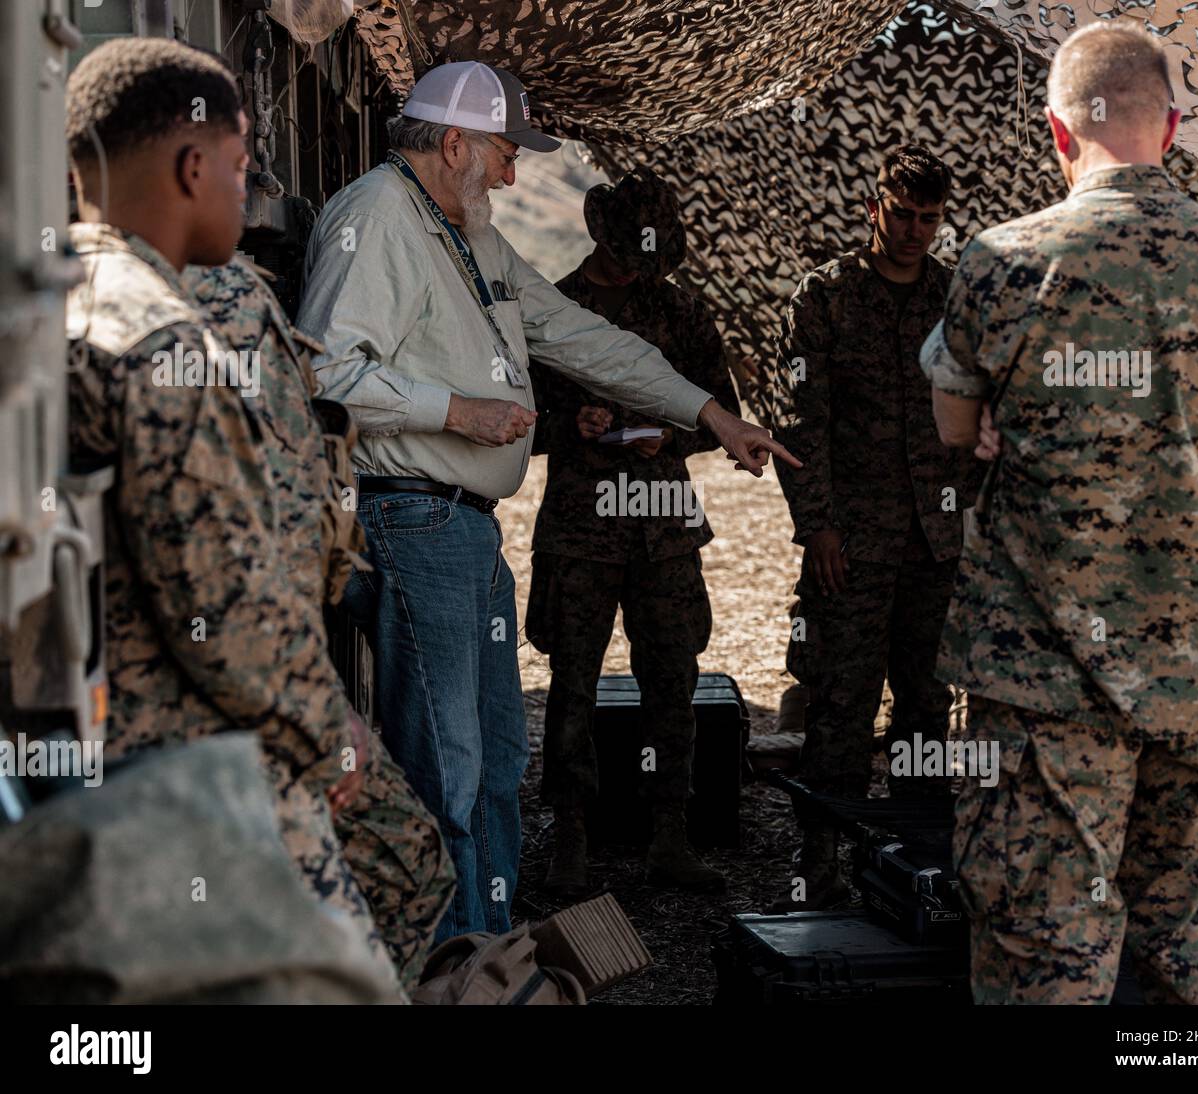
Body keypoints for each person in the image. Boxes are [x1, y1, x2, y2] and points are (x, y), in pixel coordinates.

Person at [297, 61, 798, 940]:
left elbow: (581, 337)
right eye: (503, 152)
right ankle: (451, 966)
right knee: (447, 768)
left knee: (493, 762)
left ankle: (490, 948)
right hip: (411, 517)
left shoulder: (466, 234)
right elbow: (326, 371)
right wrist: (458, 410)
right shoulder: (377, 217)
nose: (514, 173)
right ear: (453, 143)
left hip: (460, 528)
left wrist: (709, 412)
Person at [63, 38, 450, 994]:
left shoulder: (55, 301)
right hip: (195, 770)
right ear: (192, 169)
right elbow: (226, 608)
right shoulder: (160, 344)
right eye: (240, 170)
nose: (250, 194)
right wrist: (326, 732)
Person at [920, 22, 1198, 1004]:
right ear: (1170, 127)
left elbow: (955, 422)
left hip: (1044, 681)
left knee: (1047, 959)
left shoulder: (1001, 262)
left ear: (1054, 130)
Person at [768, 146, 979, 912]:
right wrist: (816, 525)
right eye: (903, 214)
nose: (916, 230)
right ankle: (821, 862)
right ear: (874, 210)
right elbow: (800, 421)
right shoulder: (825, 298)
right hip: (849, 546)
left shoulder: (956, 301)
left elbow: (978, 414)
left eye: (929, 218)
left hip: (935, 545)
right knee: (839, 704)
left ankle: (916, 862)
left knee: (927, 705)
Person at [526, 168, 738, 897]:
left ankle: (669, 837)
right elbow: (512, 422)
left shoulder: (678, 310)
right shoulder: (552, 310)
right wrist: (567, 425)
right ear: (599, 233)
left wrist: (669, 440)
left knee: (673, 683)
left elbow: (721, 416)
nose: (638, 260)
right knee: (573, 687)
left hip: (663, 533)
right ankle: (571, 842)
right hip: (581, 532)